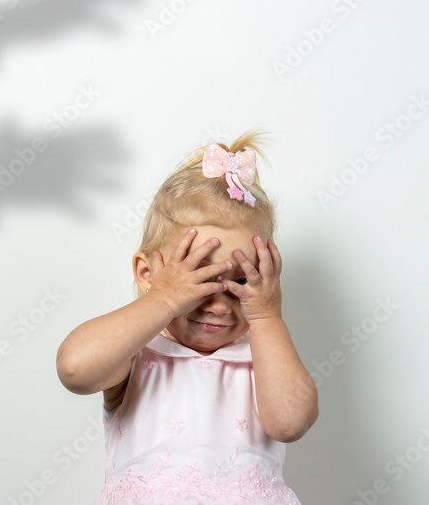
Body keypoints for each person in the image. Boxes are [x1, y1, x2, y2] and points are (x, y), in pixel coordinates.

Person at [55, 130, 318, 504]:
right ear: (147, 273)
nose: (219, 304)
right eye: (199, 279)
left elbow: (291, 423)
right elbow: (74, 370)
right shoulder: (137, 355)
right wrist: (164, 299)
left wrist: (267, 319)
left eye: (242, 280)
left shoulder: (262, 361)